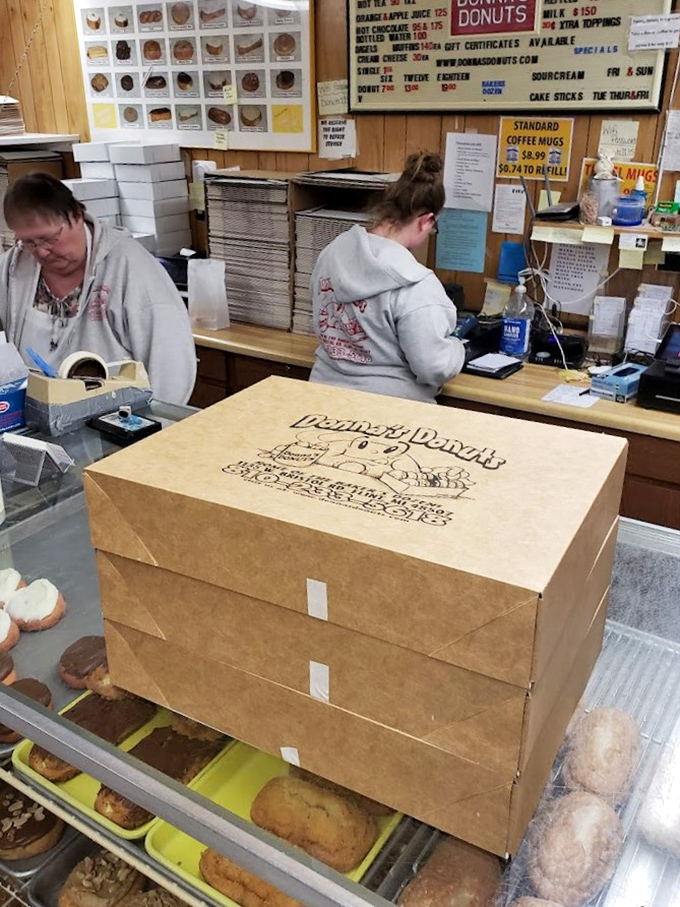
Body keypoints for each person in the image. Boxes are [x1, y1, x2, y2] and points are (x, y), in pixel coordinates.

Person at [0, 173, 196, 405]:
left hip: (119, 420)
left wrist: (155, 429)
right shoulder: (15, 266)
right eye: (29, 242)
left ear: (76, 215)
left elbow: (172, 367)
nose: (41, 252)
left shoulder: (131, 268)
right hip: (36, 417)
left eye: (48, 239)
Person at [309, 152, 465, 404]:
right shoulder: (416, 284)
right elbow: (433, 367)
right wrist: (457, 349)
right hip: (390, 415)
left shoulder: (331, 254)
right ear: (426, 221)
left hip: (322, 400)